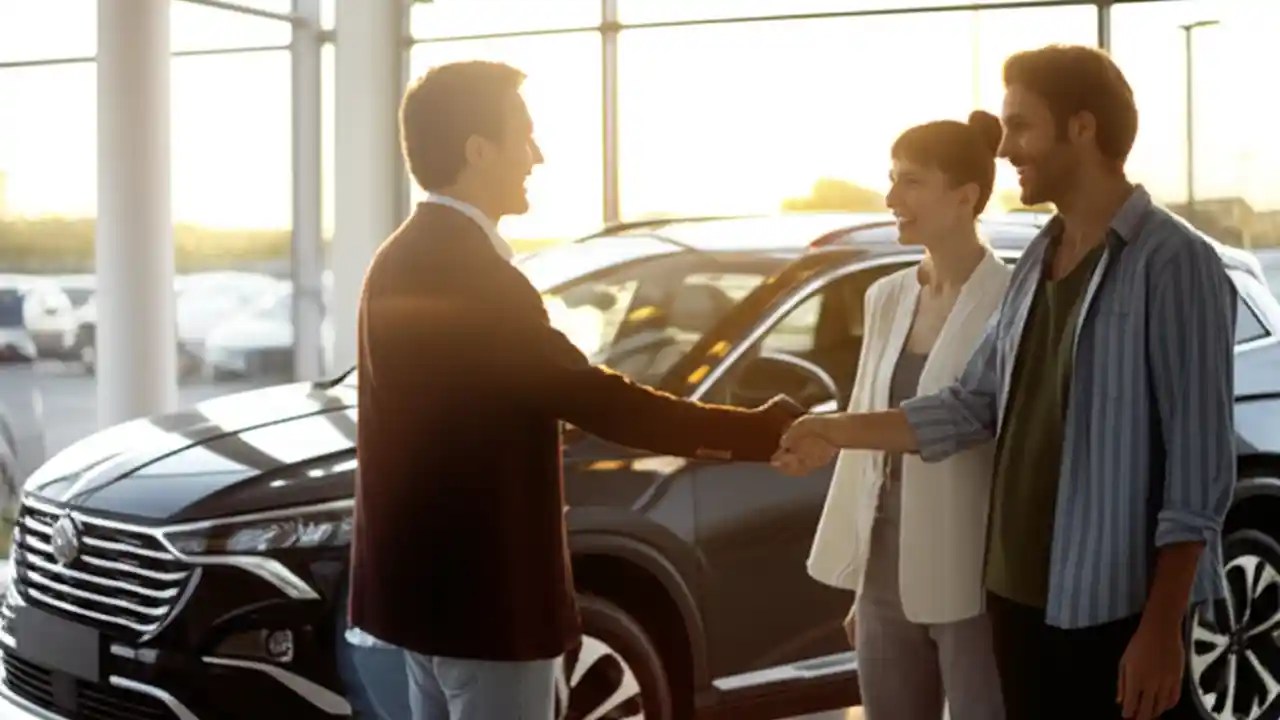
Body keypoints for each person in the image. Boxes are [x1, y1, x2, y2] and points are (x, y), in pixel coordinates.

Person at [776, 44, 1235, 720]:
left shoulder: (1175, 264)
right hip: (1015, 601)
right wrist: (835, 430)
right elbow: (972, 406)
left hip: (1112, 611)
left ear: (1082, 127)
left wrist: (1162, 632)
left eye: (1021, 125)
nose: (1004, 148)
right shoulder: (1037, 262)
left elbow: (1198, 478)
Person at [346, 60, 803, 720]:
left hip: (421, 604)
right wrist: (761, 432)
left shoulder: (400, 254)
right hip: (486, 610)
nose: (537, 155)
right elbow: (599, 400)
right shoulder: (475, 276)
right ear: (478, 150)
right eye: (524, 136)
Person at [806, 111, 1009, 720]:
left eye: (912, 182)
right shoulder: (886, 296)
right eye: (892, 179)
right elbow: (868, 429)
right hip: (884, 571)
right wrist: (865, 584)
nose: (892, 198)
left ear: (965, 196)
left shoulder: (1014, 298)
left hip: (974, 575)